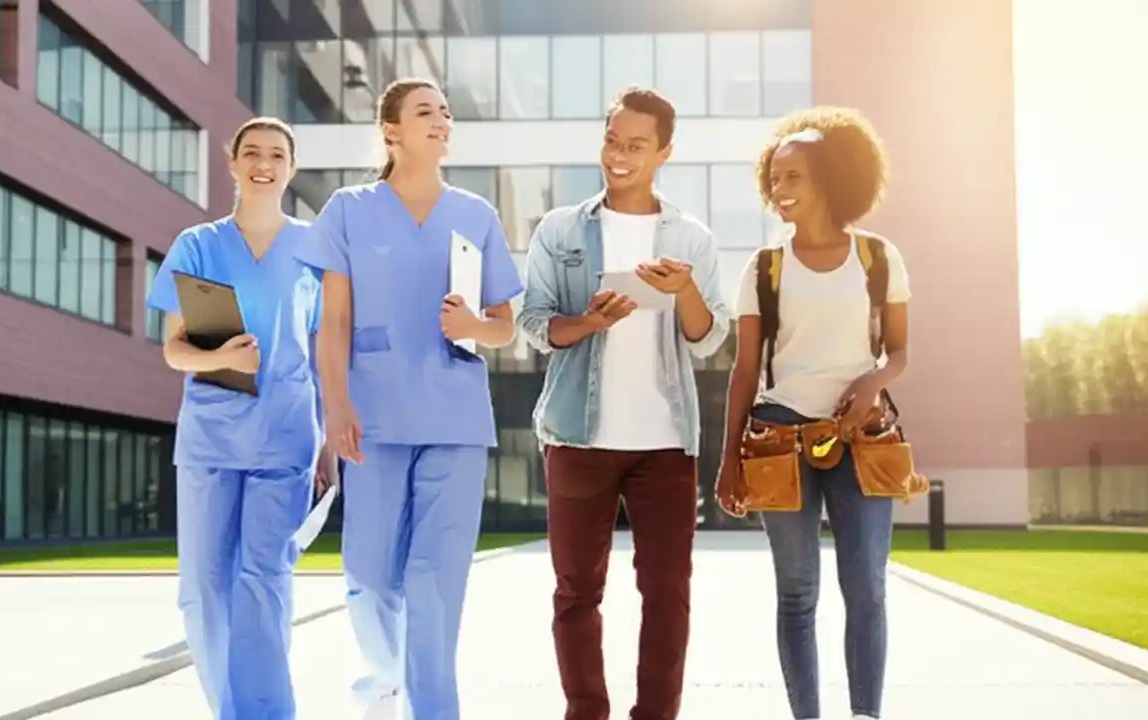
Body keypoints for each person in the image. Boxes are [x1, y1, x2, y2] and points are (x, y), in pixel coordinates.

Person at [293, 78, 524, 720]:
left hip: (454, 419)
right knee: (368, 576)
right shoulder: (348, 209)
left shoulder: (475, 214)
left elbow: (505, 323)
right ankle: (383, 685)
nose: (442, 120)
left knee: (434, 583)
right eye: (427, 112)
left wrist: (475, 328)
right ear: (390, 130)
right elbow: (332, 322)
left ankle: (433, 709)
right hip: (373, 418)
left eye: (446, 112)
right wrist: (334, 405)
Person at [516, 86, 730, 720]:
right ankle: (586, 710)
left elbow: (709, 336)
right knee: (576, 591)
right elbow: (533, 321)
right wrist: (587, 323)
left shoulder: (690, 236)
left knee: (668, 593)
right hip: (577, 440)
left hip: (664, 444)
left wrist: (686, 291)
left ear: (664, 151)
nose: (619, 154)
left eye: (636, 145)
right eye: (613, 139)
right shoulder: (560, 229)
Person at [715, 106, 912, 720]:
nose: (780, 190)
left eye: (793, 176)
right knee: (796, 595)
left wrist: (874, 380)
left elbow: (899, 350)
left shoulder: (879, 258)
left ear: (829, 178)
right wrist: (728, 465)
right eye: (774, 177)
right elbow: (744, 372)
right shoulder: (764, 268)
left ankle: (865, 716)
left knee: (868, 591)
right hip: (778, 440)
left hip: (861, 440)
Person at [146, 116, 329, 720]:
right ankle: (231, 709)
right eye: (252, 152)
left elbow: (327, 348)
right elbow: (174, 348)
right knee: (203, 592)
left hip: (286, 438)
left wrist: (329, 437)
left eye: (277, 154)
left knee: (264, 585)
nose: (264, 163)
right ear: (232, 163)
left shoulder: (315, 250)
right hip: (210, 439)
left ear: (291, 168)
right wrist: (218, 357)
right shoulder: (197, 245)